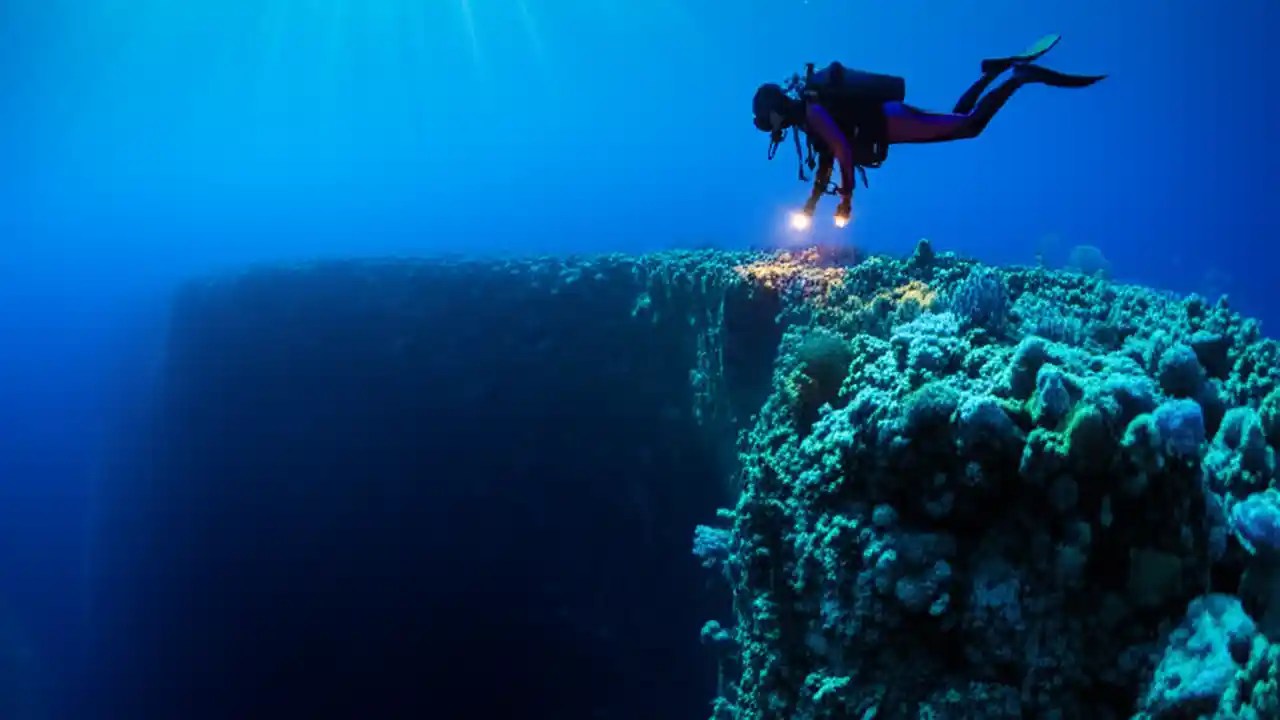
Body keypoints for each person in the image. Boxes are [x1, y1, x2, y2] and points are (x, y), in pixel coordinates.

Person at [751, 34, 1105, 229]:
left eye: (767, 121)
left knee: (969, 127)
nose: (770, 129)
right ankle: (994, 72)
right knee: (959, 120)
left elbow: (842, 150)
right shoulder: (808, 118)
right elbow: (827, 158)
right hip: (889, 123)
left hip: (890, 122)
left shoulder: (812, 111)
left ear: (775, 111)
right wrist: (811, 206)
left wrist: (845, 202)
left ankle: (1017, 78)